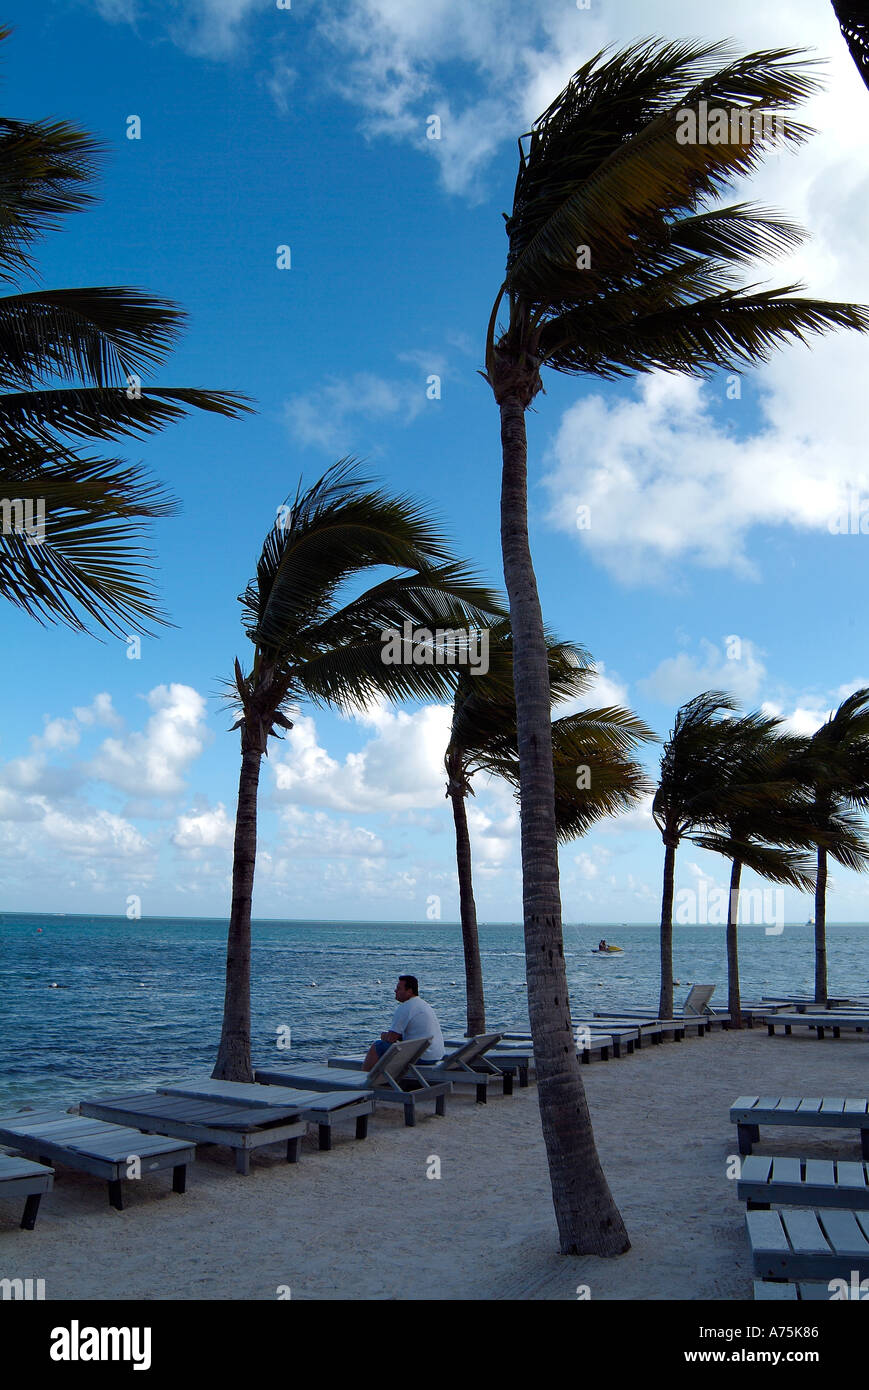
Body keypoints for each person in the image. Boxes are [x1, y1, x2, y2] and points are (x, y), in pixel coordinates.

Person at [362, 975, 445, 1070]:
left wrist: (384, 1036)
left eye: (399, 988)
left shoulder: (406, 1007)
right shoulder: (423, 1004)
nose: (395, 991)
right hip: (436, 1055)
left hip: (422, 1057)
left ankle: (366, 1077)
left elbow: (391, 1039)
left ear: (409, 991)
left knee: (378, 1046)